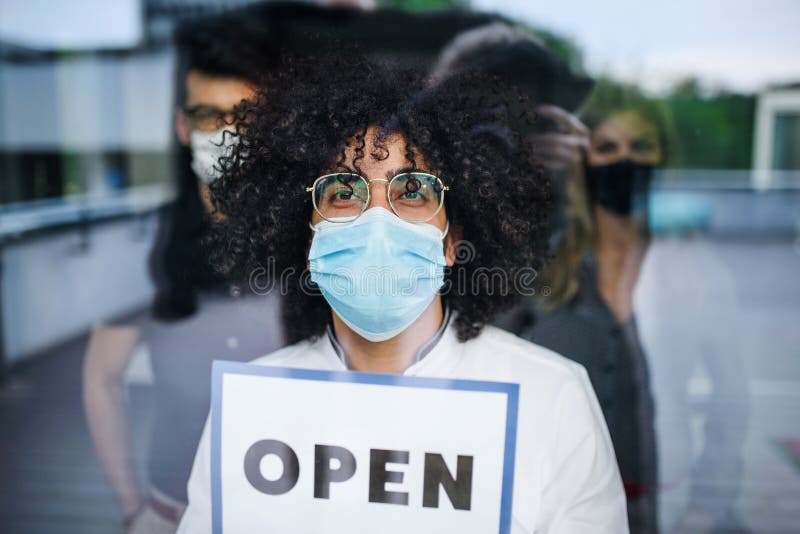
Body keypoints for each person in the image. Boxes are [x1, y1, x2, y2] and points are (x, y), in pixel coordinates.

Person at [177, 51, 628, 533]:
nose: (377, 220)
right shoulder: (254, 407)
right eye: (344, 192)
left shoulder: (549, 398)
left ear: (454, 239)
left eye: (412, 190)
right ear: (306, 233)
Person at [82, 12, 284, 534]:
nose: (227, 135)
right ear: (182, 125)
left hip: (290, 513)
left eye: (244, 116)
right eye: (209, 117)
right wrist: (132, 511)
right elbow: (101, 379)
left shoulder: (312, 236)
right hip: (171, 512)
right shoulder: (147, 247)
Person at [510, 80, 674, 533]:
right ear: (582, 160)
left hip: (645, 493)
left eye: (641, 145)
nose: (627, 161)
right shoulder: (544, 267)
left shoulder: (686, 267)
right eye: (607, 147)